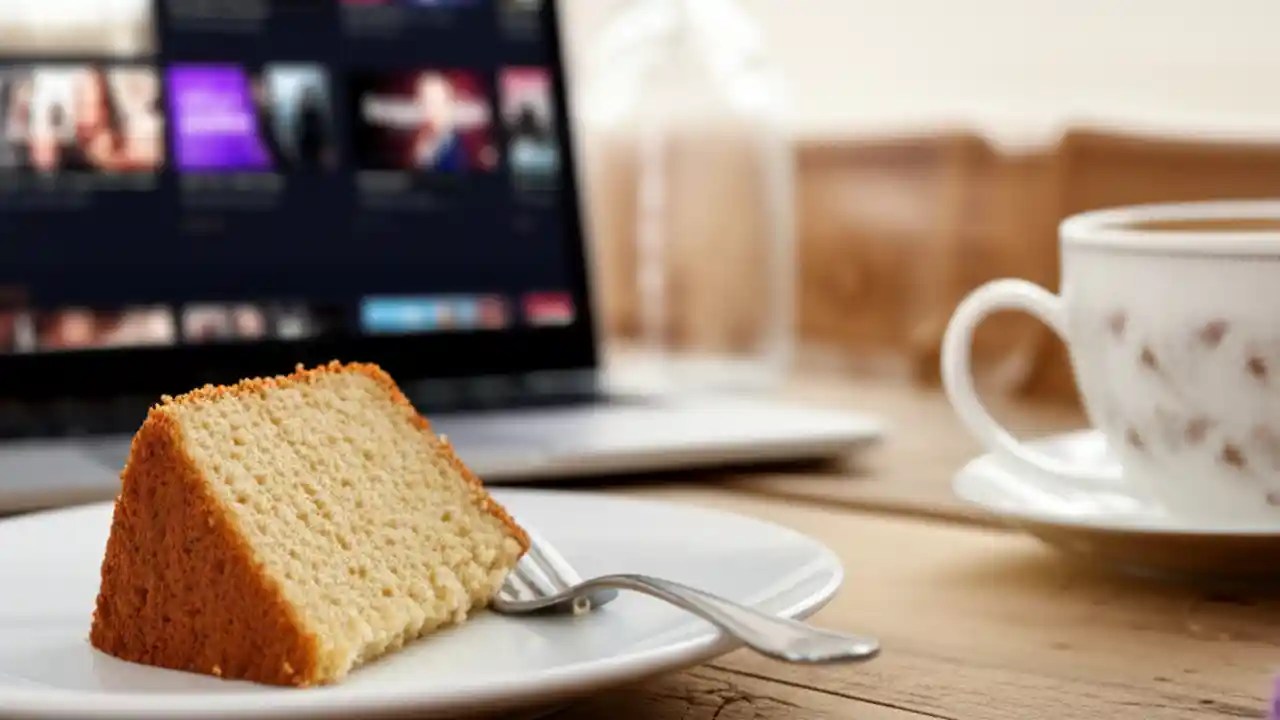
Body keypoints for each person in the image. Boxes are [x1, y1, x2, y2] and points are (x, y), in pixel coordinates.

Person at [412, 73, 467, 172]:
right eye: (425, 101)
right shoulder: (422, 139)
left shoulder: (462, 138)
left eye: (435, 100)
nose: (430, 108)